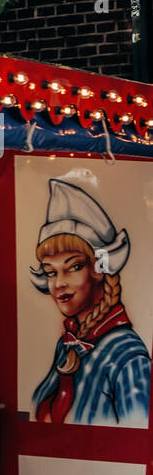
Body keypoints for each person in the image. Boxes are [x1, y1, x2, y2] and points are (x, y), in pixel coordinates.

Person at [29, 178, 150, 427]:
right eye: (51, 272)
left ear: (98, 269)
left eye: (73, 267)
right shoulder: (68, 344)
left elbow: (136, 440)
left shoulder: (128, 357)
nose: (59, 283)